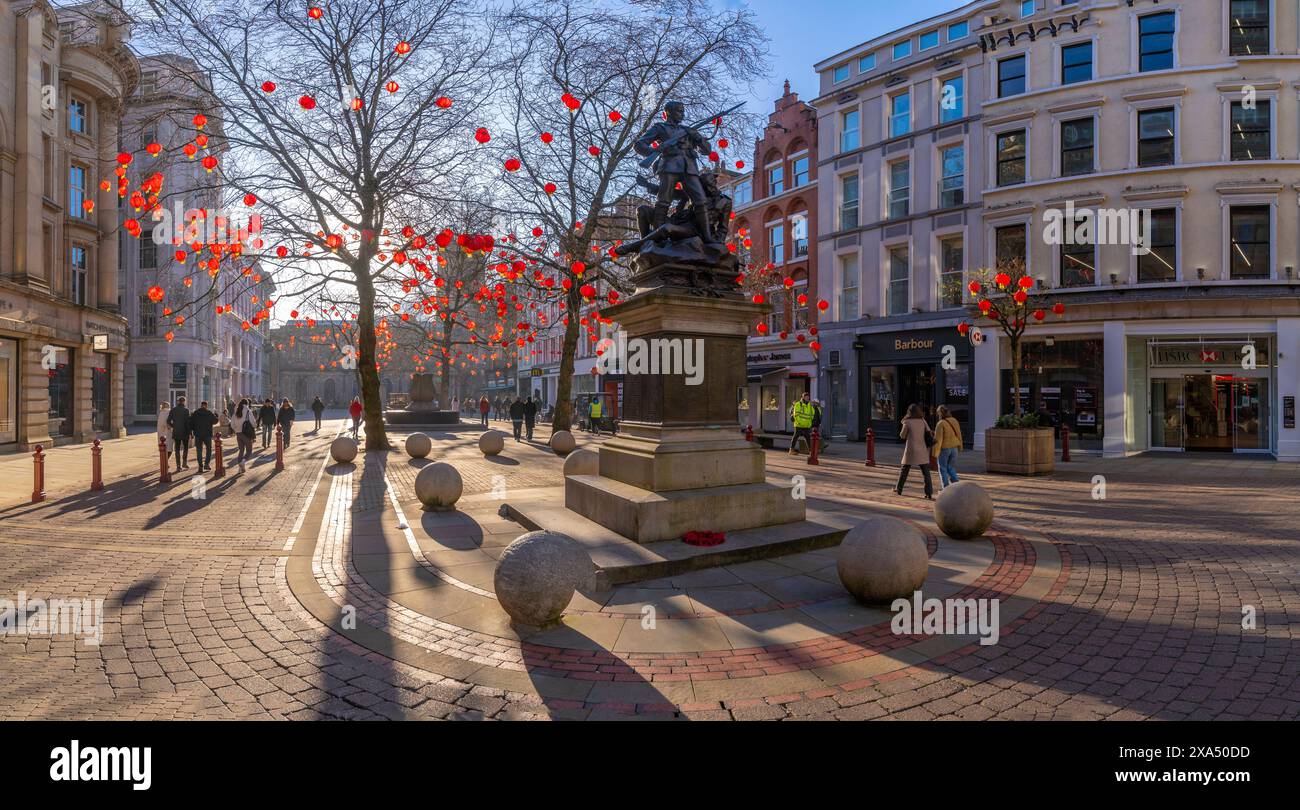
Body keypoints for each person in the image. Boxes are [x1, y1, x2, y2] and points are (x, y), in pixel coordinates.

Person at [896, 404, 934, 500]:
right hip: (922, 449)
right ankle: (929, 493)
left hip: (911, 449)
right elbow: (929, 432)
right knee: (926, 473)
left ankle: (899, 489)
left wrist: (903, 422)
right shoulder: (922, 420)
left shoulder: (907, 422)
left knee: (904, 471)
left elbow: (902, 435)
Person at [932, 405, 963, 490]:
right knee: (951, 467)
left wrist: (935, 453)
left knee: (943, 468)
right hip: (954, 448)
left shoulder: (940, 423)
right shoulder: (954, 421)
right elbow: (959, 434)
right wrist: (960, 446)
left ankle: (945, 488)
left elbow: (938, 439)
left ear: (940, 414)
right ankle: (956, 485)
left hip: (944, 449)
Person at [190, 401, 218, 472]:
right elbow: (215, 421)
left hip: (198, 434)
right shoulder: (209, 413)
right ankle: (206, 464)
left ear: (201, 405)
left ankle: (200, 466)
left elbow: (191, 423)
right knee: (209, 449)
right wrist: (216, 415)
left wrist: (192, 431)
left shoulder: (196, 413)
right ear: (206, 406)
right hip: (207, 434)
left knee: (199, 450)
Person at [231, 398, 255, 473]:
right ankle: (243, 462)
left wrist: (236, 430)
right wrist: (254, 426)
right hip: (246, 433)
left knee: (241, 450)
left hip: (238, 433)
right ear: (247, 404)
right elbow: (253, 422)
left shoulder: (236, 411)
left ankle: (240, 469)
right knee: (249, 450)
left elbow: (232, 424)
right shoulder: (248, 411)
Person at [168, 396, 192, 471]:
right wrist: (190, 433)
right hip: (185, 432)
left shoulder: (173, 410)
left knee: (177, 449)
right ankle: (184, 463)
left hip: (176, 432)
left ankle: (178, 466)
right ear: (184, 401)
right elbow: (188, 423)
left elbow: (168, 421)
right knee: (185, 448)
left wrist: (174, 426)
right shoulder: (186, 410)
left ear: (178, 401)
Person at [788, 391, 816, 455]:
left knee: (807, 438)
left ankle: (811, 451)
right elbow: (796, 415)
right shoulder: (798, 404)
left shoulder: (810, 406)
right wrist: (800, 422)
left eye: (808, 397)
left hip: (806, 425)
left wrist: (809, 423)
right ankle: (791, 450)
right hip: (799, 424)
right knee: (795, 437)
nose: (807, 398)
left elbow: (812, 415)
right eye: (806, 397)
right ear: (803, 397)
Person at [156, 401, 173, 466]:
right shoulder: (169, 412)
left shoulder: (161, 413)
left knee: (163, 449)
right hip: (168, 432)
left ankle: (164, 462)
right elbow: (169, 422)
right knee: (170, 449)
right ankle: (165, 462)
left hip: (161, 433)